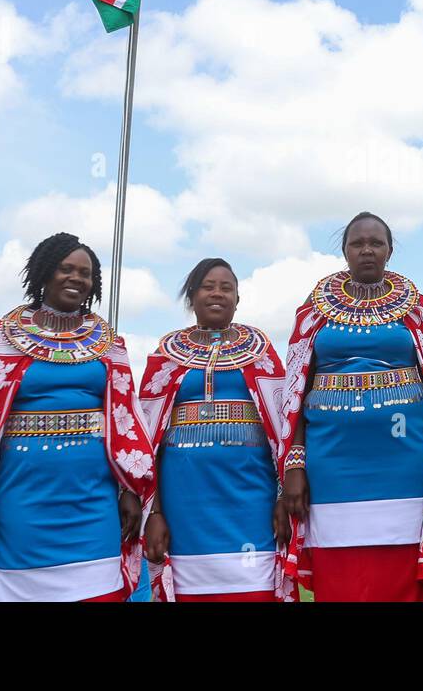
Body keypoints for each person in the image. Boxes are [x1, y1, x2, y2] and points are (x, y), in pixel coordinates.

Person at [0, 232, 155, 602]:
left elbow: (126, 421)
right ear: (44, 272)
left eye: (86, 273)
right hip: (21, 500)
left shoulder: (111, 344)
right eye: (66, 269)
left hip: (95, 502)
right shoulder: (3, 338)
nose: (76, 278)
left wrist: (129, 489)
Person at [278, 212, 423, 601]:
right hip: (330, 464)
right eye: (358, 243)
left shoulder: (418, 308)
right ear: (344, 251)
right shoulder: (313, 311)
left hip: (405, 460)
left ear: (390, 250)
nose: (367, 250)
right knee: (339, 574)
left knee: (402, 571)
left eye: (376, 243)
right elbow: (294, 393)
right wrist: (294, 464)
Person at [138, 258, 287, 601]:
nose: (217, 294)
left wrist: (281, 498)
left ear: (238, 298)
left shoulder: (262, 353)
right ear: (191, 297)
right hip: (184, 505)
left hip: (252, 502)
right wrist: (156, 512)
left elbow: (282, 428)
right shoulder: (166, 356)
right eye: (208, 286)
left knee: (254, 592)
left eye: (226, 287)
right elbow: (149, 443)